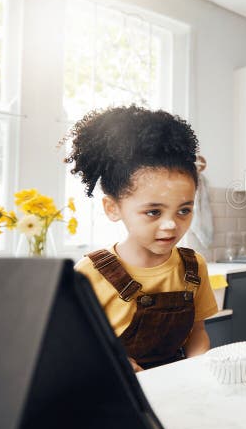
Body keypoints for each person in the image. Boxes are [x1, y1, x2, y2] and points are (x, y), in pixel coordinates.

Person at [66, 105, 218, 370]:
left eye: (184, 210)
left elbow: (197, 334)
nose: (171, 225)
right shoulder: (88, 275)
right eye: (153, 212)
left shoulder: (194, 267)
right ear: (113, 208)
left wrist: (198, 373)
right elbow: (74, 351)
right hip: (117, 395)